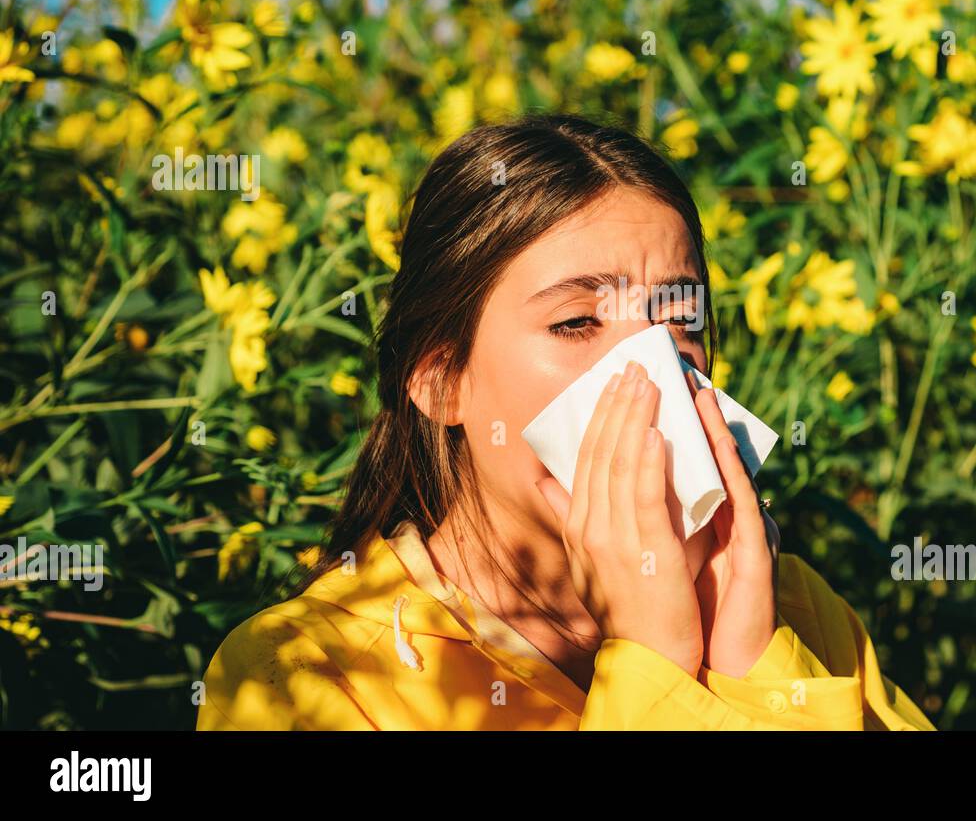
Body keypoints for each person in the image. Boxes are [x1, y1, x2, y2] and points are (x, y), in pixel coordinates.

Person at [196, 115, 935, 730]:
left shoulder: (787, 602)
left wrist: (753, 664)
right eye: (578, 321)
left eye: (682, 319)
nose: (653, 368)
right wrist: (650, 664)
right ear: (441, 381)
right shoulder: (299, 673)